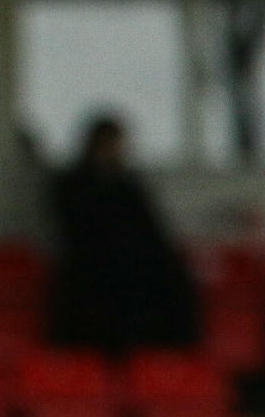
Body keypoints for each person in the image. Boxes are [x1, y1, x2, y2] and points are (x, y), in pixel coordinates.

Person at [46, 113, 199, 353]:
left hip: (134, 270)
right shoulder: (72, 184)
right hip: (91, 272)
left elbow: (151, 233)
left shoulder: (129, 186)